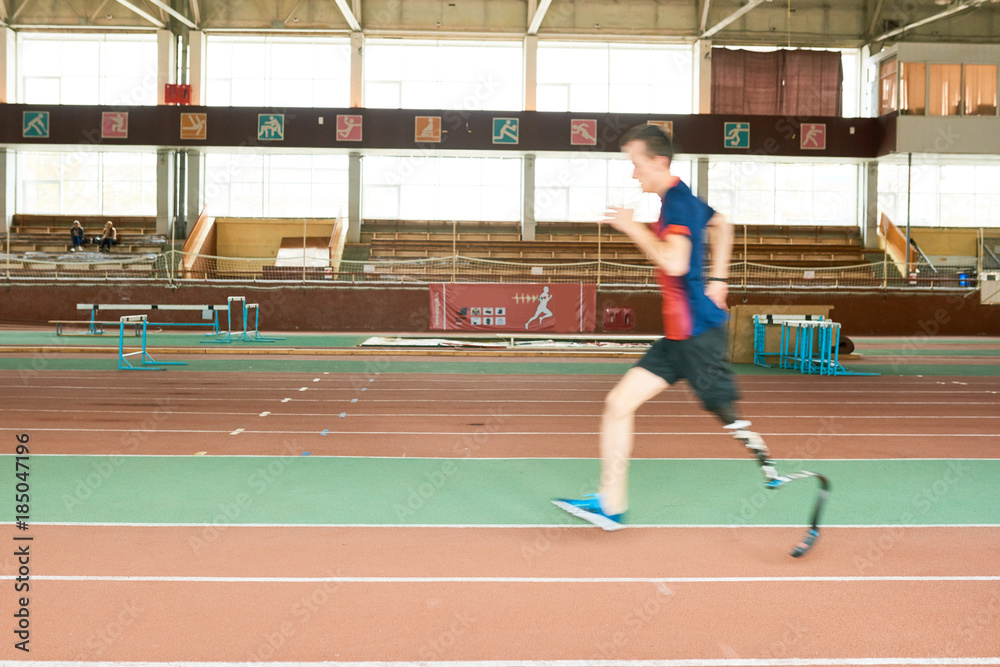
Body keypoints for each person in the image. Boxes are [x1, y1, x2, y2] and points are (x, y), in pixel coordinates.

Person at [552, 124, 774, 530]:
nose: (633, 173)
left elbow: (673, 261)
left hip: (697, 336)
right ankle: (611, 506)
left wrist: (632, 226)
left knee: (725, 412)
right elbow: (723, 225)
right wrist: (720, 281)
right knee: (618, 405)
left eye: (636, 164)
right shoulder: (681, 199)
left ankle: (765, 458)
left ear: (659, 161)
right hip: (678, 336)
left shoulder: (676, 204)